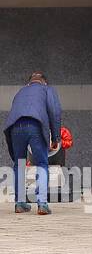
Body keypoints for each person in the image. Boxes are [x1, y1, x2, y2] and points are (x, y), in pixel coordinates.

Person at [4, 71, 62, 215]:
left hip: (15, 127)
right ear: (44, 81)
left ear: (29, 82)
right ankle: (42, 204)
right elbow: (54, 112)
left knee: (19, 164)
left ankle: (20, 203)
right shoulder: (47, 89)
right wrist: (56, 137)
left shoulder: (21, 91)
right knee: (42, 163)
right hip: (36, 125)